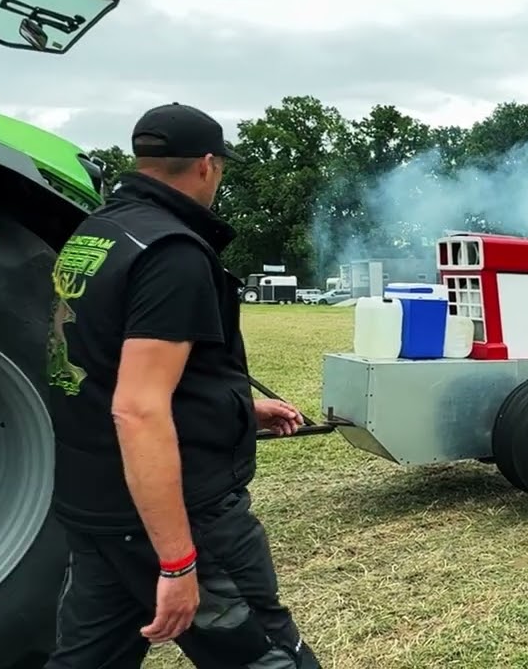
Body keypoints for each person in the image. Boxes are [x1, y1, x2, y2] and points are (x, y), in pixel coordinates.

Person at [44, 102, 321, 668]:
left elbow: (99, 363)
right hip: (183, 514)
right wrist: (177, 562)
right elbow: (138, 409)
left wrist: (237, 407)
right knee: (269, 655)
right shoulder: (172, 253)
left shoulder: (96, 235)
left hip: (96, 506)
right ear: (206, 166)